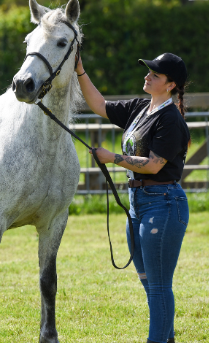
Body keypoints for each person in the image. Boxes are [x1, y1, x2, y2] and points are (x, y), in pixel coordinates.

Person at [75, 51, 191, 343]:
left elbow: (154, 165)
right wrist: (80, 71)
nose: (148, 76)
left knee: (159, 286)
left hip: (163, 204)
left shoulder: (170, 120)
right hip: (139, 205)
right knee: (149, 284)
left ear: (170, 85)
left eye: (155, 74)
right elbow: (99, 105)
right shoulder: (141, 108)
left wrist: (113, 157)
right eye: (148, 71)